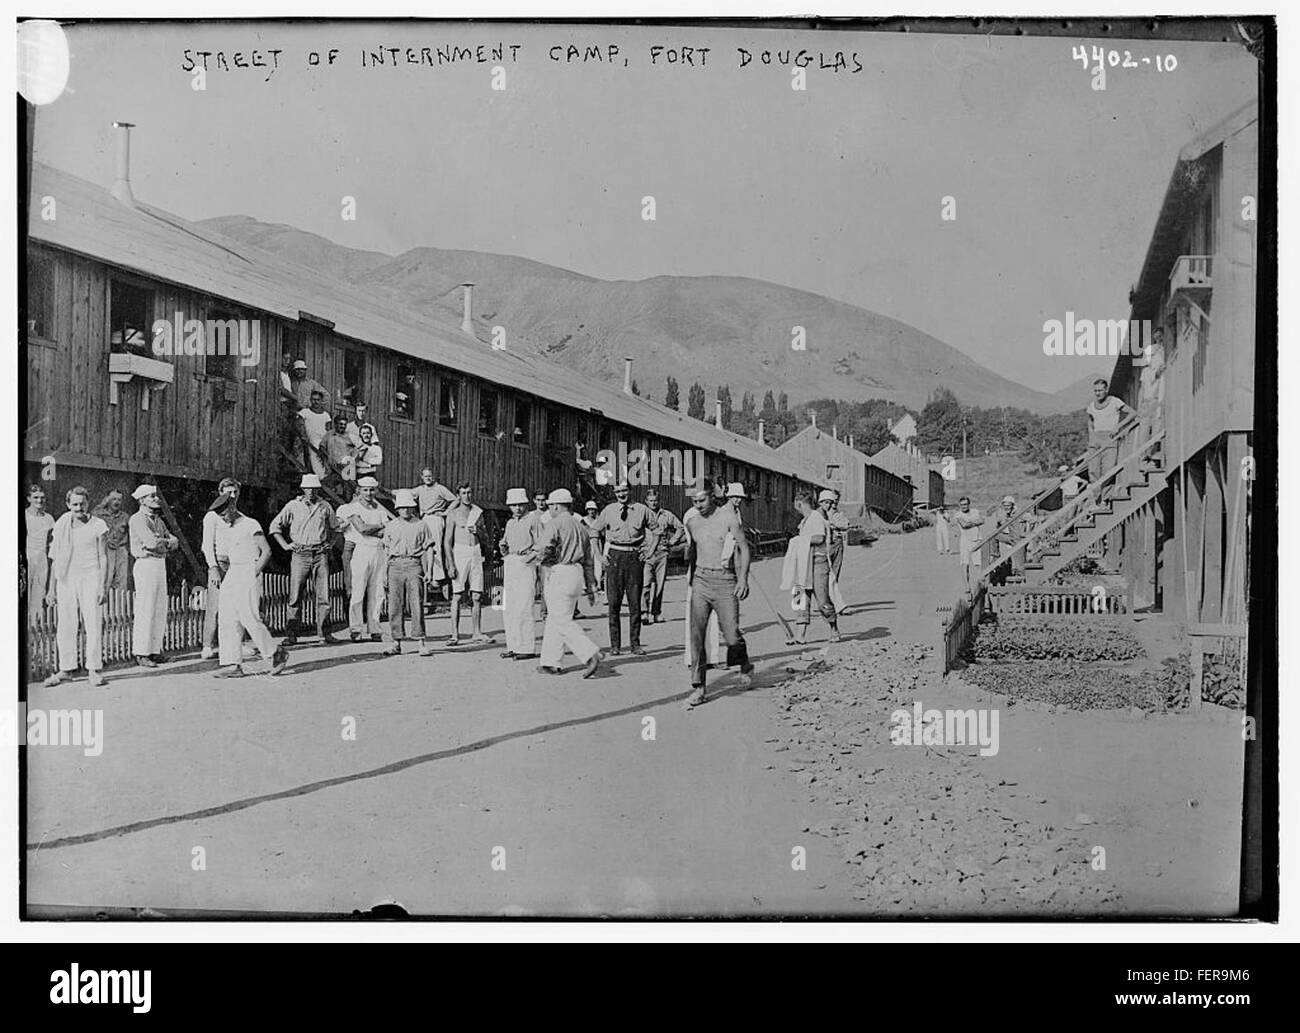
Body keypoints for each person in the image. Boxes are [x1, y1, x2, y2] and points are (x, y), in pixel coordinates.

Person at [682, 480, 754, 709]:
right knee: (696, 635)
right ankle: (699, 687)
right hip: (701, 581)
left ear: (712, 496)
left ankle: (745, 665)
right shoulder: (692, 522)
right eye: (694, 501)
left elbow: (744, 548)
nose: (698, 505)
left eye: (702, 500)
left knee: (731, 635)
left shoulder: (728, 518)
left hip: (725, 581)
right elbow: (692, 551)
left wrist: (743, 578)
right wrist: (692, 579)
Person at [211, 489, 289, 678]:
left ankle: (275, 653)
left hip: (248, 570)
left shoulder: (250, 523)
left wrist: (253, 573)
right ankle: (233, 664)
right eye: (219, 517)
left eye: (224, 514)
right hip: (232, 572)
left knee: (249, 616)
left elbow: (266, 551)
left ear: (232, 506)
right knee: (227, 618)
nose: (223, 519)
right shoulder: (226, 528)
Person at [42, 486, 108, 687]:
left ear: (88, 503)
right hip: (66, 578)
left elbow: (103, 557)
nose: (79, 508)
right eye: (75, 504)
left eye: (82, 503)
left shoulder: (98, 525)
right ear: (68, 505)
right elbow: (54, 558)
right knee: (66, 623)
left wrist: (102, 586)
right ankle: (66, 668)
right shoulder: (62, 523)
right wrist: (51, 589)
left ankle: (94, 669)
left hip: (91, 576)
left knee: (93, 622)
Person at [535, 488, 603, 678]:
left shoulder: (554, 523)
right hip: (576, 573)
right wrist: (591, 587)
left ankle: (590, 653)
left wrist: (536, 560)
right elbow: (589, 561)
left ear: (556, 506)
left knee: (561, 619)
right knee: (556, 618)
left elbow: (545, 549)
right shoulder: (581, 526)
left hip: (560, 571)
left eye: (550, 506)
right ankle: (550, 662)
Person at [269, 473, 340, 645]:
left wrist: (330, 544)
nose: (311, 492)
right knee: (295, 596)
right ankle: (291, 634)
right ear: (303, 489)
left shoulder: (325, 506)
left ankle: (325, 633)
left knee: (323, 595)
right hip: (300, 553)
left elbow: (337, 529)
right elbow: (275, 526)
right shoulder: (293, 506)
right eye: (308, 488)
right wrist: (286, 545)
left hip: (320, 553)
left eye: (314, 488)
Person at [596, 481, 658, 656]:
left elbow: (658, 531)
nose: (621, 494)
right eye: (617, 491)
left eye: (624, 490)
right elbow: (594, 532)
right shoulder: (608, 510)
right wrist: (600, 555)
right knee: (614, 604)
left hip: (634, 558)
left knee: (635, 604)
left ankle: (635, 644)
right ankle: (615, 645)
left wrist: (649, 551)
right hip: (614, 557)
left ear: (630, 491)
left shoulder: (642, 510)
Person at [128, 484, 177, 667]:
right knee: (145, 608)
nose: (156, 499)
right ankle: (141, 653)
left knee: (159, 608)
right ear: (142, 500)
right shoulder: (137, 519)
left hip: (159, 563)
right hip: (146, 564)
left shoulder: (158, 520)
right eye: (151, 496)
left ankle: (154, 651)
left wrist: (162, 542)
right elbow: (150, 543)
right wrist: (165, 542)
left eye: (155, 495)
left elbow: (175, 541)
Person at [382, 489, 434, 656]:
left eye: (409, 507)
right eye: (402, 507)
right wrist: (384, 573)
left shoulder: (421, 524)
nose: (405, 510)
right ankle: (396, 642)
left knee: (416, 603)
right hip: (394, 565)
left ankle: (421, 641)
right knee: (395, 605)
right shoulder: (391, 526)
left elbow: (429, 548)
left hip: (413, 564)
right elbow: (385, 550)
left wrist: (429, 570)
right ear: (397, 508)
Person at [339, 476, 391, 642]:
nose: (369, 493)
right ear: (359, 491)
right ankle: (355, 629)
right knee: (358, 590)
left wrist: (375, 529)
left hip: (378, 550)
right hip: (361, 550)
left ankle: (375, 627)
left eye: (371, 490)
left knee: (377, 591)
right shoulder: (353, 508)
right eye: (365, 490)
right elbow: (361, 529)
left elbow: (386, 532)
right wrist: (380, 526)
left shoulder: (381, 510)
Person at [788, 490, 840, 646]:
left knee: (822, 598)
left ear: (799, 504)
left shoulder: (816, 517)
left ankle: (834, 628)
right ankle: (800, 635)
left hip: (818, 561)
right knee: (800, 596)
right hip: (804, 561)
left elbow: (819, 538)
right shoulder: (804, 521)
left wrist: (800, 540)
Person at [443, 483, 490, 646]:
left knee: (476, 595)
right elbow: (447, 542)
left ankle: (477, 632)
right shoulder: (453, 514)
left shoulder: (478, 513)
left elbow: (486, 538)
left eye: (470, 492)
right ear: (459, 495)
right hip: (460, 553)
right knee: (457, 595)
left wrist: (479, 532)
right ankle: (454, 635)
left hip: (475, 552)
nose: (467, 496)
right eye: (464, 493)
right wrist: (450, 564)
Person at [200, 477, 240, 659]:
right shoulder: (212, 516)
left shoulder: (238, 515)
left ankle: (236, 643)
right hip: (220, 563)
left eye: (235, 492)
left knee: (236, 605)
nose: (232, 496)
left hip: (236, 563)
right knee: (215, 605)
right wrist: (213, 567)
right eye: (228, 492)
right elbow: (207, 545)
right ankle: (208, 645)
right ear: (220, 493)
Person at [499, 487, 540, 660]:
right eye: (513, 505)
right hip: (511, 562)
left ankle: (526, 647)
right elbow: (506, 543)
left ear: (526, 504)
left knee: (524, 605)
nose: (517, 508)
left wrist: (529, 558)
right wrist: (503, 547)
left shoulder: (533, 520)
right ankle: (513, 645)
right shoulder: (510, 523)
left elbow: (541, 544)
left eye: (520, 504)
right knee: (508, 606)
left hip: (525, 563)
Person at [641, 489, 685, 625]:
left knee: (660, 585)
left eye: (655, 500)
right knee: (645, 584)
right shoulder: (642, 514)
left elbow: (680, 527)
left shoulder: (666, 515)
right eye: (651, 501)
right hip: (646, 553)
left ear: (659, 501)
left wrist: (672, 541)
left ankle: (656, 612)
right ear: (646, 502)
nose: (653, 503)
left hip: (662, 552)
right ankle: (644, 612)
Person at [412, 468, 457, 591]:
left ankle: (437, 577)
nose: (428, 478)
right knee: (424, 547)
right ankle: (427, 573)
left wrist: (445, 512)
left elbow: (455, 499)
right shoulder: (420, 489)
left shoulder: (440, 488)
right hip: (424, 518)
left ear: (434, 477)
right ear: (422, 477)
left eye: (430, 476)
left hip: (435, 519)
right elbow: (407, 493)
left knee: (435, 546)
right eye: (426, 476)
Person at [1086, 377, 1135, 487]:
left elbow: (1132, 413)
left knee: (1108, 470)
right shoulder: (1092, 404)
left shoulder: (1114, 401)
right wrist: (1091, 435)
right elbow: (1090, 420)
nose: (1098, 393)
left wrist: (1118, 426)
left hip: (1109, 438)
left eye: (1100, 390)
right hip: (1095, 439)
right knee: (1093, 471)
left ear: (1106, 390)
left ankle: (1105, 500)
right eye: (1095, 391)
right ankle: (1096, 499)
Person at [25, 485, 55, 622]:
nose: (39, 500)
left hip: (41, 557)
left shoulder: (48, 518)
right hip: (26, 555)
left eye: (42, 498)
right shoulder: (24, 515)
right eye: (36, 497)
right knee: (24, 591)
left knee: (39, 590)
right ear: (29, 499)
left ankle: (34, 624)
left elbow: (52, 539)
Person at [91, 489, 131, 592]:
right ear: (107, 499)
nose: (116, 502)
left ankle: (120, 607)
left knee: (121, 582)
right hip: (105, 550)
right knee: (105, 580)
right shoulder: (98, 514)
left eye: (119, 499)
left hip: (121, 551)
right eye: (113, 499)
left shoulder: (125, 517)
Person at [297, 389, 332, 479]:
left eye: (318, 400)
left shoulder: (326, 415)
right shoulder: (305, 412)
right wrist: (304, 436)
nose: (315, 402)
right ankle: (322, 478)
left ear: (321, 401)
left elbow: (329, 430)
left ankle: (327, 478)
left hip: (323, 442)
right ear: (311, 400)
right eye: (313, 399)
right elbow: (299, 424)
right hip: (312, 442)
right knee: (316, 462)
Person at [951, 495, 986, 587]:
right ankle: (967, 585)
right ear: (960, 505)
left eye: (966, 504)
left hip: (976, 539)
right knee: (965, 564)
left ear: (969, 504)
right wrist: (974, 522)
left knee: (978, 563)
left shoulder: (975, 511)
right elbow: (964, 525)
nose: (964, 506)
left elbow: (982, 520)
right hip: (965, 541)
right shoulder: (958, 515)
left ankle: (980, 583)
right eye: (962, 505)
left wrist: (970, 522)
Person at [321, 415, 357, 497]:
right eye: (341, 424)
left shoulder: (349, 436)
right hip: (333, 466)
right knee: (325, 485)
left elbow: (358, 449)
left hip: (346, 466)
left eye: (345, 424)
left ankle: (348, 503)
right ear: (335, 424)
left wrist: (352, 460)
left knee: (348, 489)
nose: (343, 426)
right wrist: (328, 456)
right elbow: (322, 447)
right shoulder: (329, 434)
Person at [819, 488, 850, 581]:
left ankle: (833, 590)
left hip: (837, 541)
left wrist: (834, 524)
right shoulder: (824, 511)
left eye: (837, 499)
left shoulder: (839, 512)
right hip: (826, 542)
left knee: (836, 569)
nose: (835, 501)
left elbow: (846, 524)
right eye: (834, 499)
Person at [532, 490, 553, 620]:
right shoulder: (530, 515)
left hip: (545, 553)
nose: (541, 502)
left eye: (543, 500)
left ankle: (544, 612)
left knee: (546, 584)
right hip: (532, 552)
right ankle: (527, 612)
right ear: (534, 500)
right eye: (538, 500)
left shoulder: (550, 516)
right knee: (530, 584)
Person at [581, 499, 605, 597]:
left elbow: (602, 533)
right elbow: (584, 531)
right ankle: (589, 585)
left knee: (598, 564)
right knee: (588, 564)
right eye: (589, 509)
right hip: (587, 543)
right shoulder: (583, 520)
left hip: (597, 542)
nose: (591, 511)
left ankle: (598, 585)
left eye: (593, 509)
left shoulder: (598, 520)